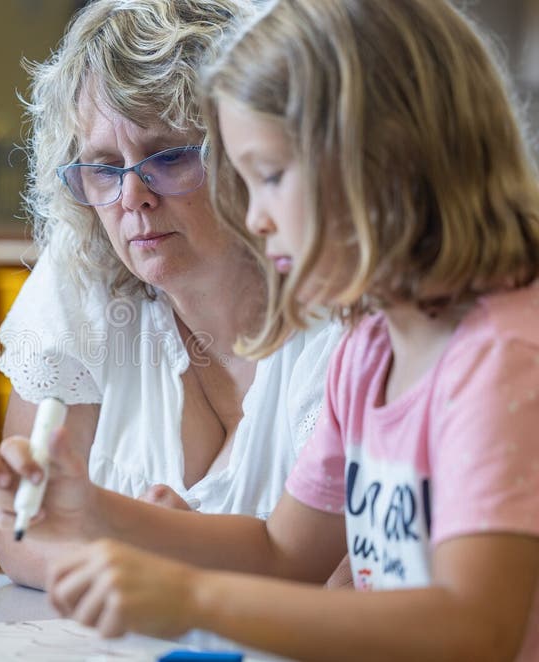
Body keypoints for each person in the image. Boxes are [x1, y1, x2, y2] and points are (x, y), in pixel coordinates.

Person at [40, 0, 539, 659]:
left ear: (381, 161)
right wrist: (91, 506)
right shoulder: (372, 348)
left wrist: (192, 597)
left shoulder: (502, 358)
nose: (254, 214)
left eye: (269, 177)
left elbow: (475, 629)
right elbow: (281, 552)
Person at [0, 0, 342, 589]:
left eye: (168, 156)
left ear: (253, 154)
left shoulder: (340, 312)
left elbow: (334, 574)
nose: (131, 196)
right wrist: (143, 570)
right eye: (103, 165)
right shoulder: (85, 268)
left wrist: (149, 563)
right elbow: (19, 530)